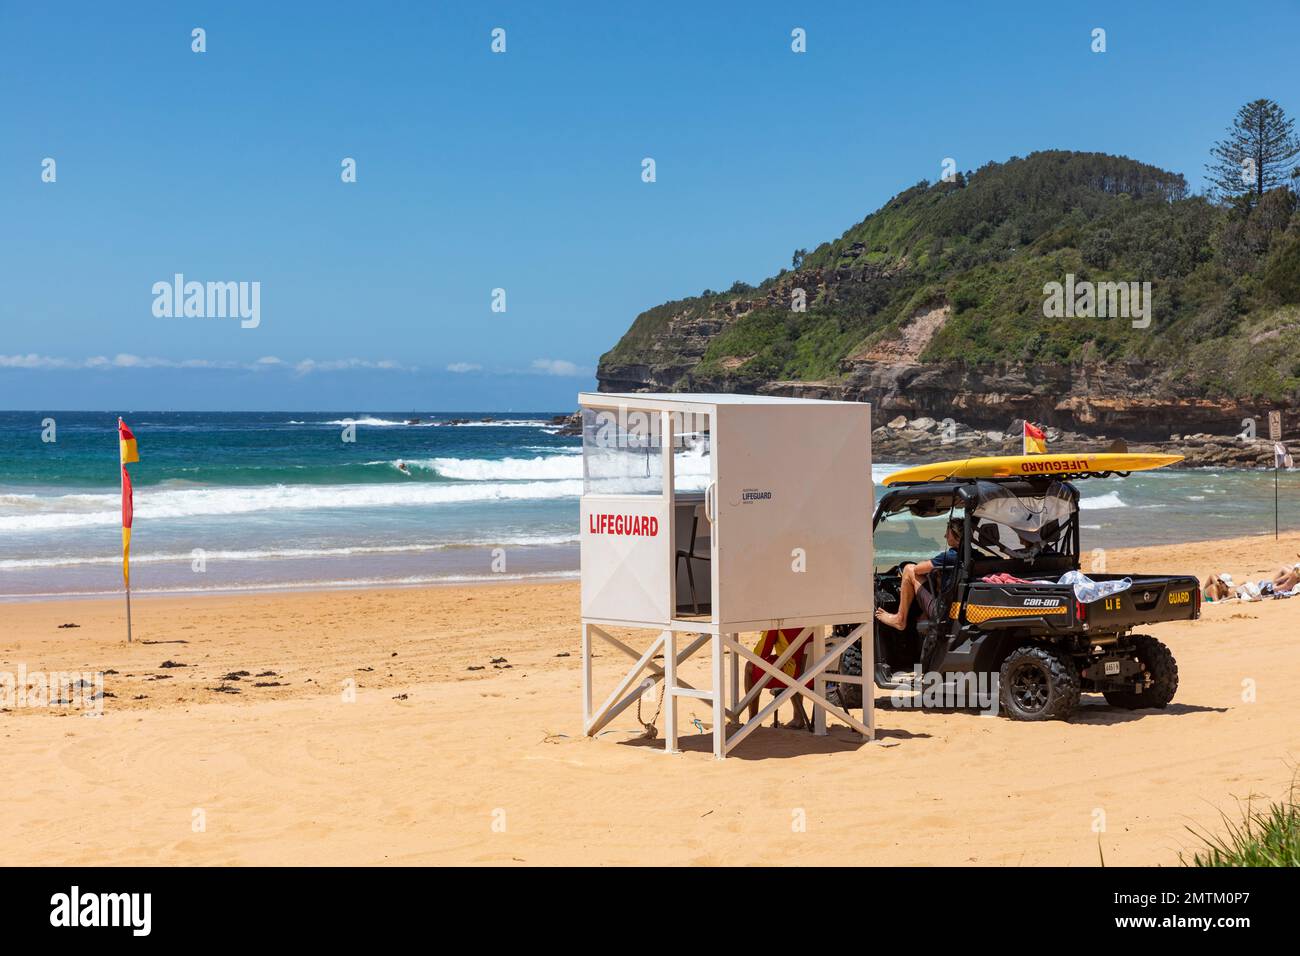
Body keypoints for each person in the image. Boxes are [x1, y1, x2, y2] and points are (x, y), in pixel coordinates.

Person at [875, 517, 962, 631]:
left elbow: (917, 570)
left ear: (955, 534)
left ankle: (900, 619)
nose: (945, 536)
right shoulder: (975, 555)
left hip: (942, 610)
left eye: (947, 533)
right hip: (958, 608)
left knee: (908, 569)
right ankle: (923, 615)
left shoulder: (950, 556)